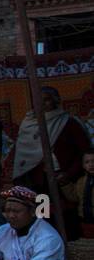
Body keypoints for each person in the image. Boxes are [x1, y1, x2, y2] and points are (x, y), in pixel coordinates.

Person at [14, 86, 92, 217]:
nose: (42, 103)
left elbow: (84, 152)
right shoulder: (29, 123)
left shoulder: (69, 123)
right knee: (43, 214)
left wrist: (68, 174)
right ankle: (45, 236)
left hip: (65, 180)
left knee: (67, 214)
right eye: (39, 100)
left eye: (47, 100)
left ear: (55, 101)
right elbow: (24, 153)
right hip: (39, 181)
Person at [60, 149, 94, 240]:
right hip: (85, 219)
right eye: (87, 162)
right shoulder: (81, 182)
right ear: (83, 165)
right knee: (89, 243)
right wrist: (65, 184)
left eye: (93, 161)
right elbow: (74, 197)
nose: (91, 164)